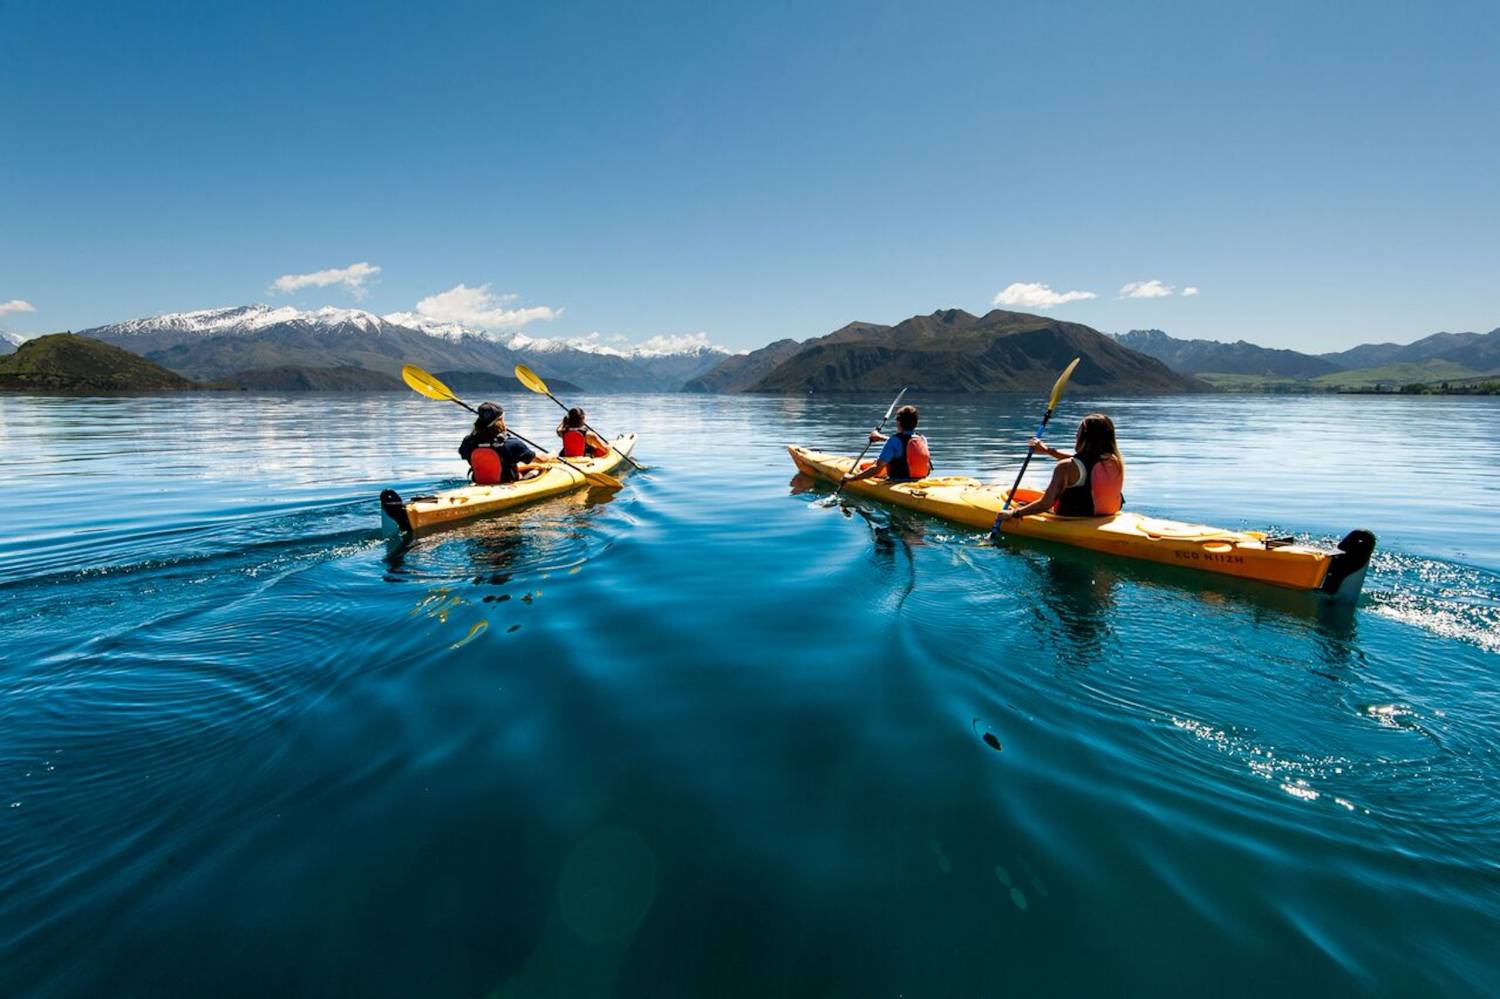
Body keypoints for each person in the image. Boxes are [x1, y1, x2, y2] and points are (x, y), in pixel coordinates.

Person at [993, 412, 1125, 526]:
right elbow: (1083, 463)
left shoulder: (1065, 467)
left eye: (1078, 433)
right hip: (1107, 515)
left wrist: (1014, 513)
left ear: (1084, 437)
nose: (1076, 436)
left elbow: (1045, 504)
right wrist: (1047, 451)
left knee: (1023, 503)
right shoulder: (1115, 461)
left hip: (1074, 518)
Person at [458, 402, 551, 485]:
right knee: (537, 470)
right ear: (500, 420)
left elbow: (463, 453)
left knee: (519, 467)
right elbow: (538, 459)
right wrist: (551, 456)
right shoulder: (511, 443)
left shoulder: (468, 441)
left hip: (479, 482)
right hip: (506, 484)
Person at [841, 405, 931, 484]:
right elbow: (904, 443)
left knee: (873, 467)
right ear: (916, 423)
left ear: (898, 422)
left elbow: (877, 469)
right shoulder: (922, 439)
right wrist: (881, 437)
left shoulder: (894, 441)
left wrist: (852, 478)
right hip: (920, 480)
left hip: (898, 482)